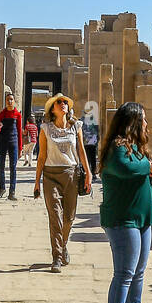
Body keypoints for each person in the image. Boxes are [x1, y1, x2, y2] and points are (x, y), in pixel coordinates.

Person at [99, 101, 152, 303]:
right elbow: (126, 169)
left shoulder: (137, 148)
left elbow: (140, 167)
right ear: (133, 122)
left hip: (141, 220)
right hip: (122, 219)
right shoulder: (117, 149)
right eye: (144, 120)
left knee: (138, 273)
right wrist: (149, 166)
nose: (147, 124)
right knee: (124, 274)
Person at [33, 93, 91, 272]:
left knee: (69, 218)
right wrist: (37, 182)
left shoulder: (76, 127)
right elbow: (41, 156)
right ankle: (56, 256)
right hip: (51, 175)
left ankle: (63, 244)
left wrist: (88, 173)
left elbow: (81, 151)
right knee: (55, 217)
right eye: (59, 102)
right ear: (53, 109)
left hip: (71, 174)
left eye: (65, 102)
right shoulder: (45, 129)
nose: (63, 104)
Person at [0, 92, 23, 199]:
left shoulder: (18, 115)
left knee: (13, 167)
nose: (10, 101)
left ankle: (12, 191)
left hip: (13, 141)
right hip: (3, 141)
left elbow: (19, 131)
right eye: (8, 99)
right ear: (5, 101)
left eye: (11, 99)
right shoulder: (1, 114)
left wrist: (20, 148)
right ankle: (2, 189)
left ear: (14, 101)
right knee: (1, 166)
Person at [82, 103, 100, 181]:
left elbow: (97, 130)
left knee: (89, 158)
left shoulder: (86, 119)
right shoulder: (92, 120)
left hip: (88, 141)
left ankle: (90, 173)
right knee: (90, 158)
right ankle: (90, 173)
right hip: (89, 141)